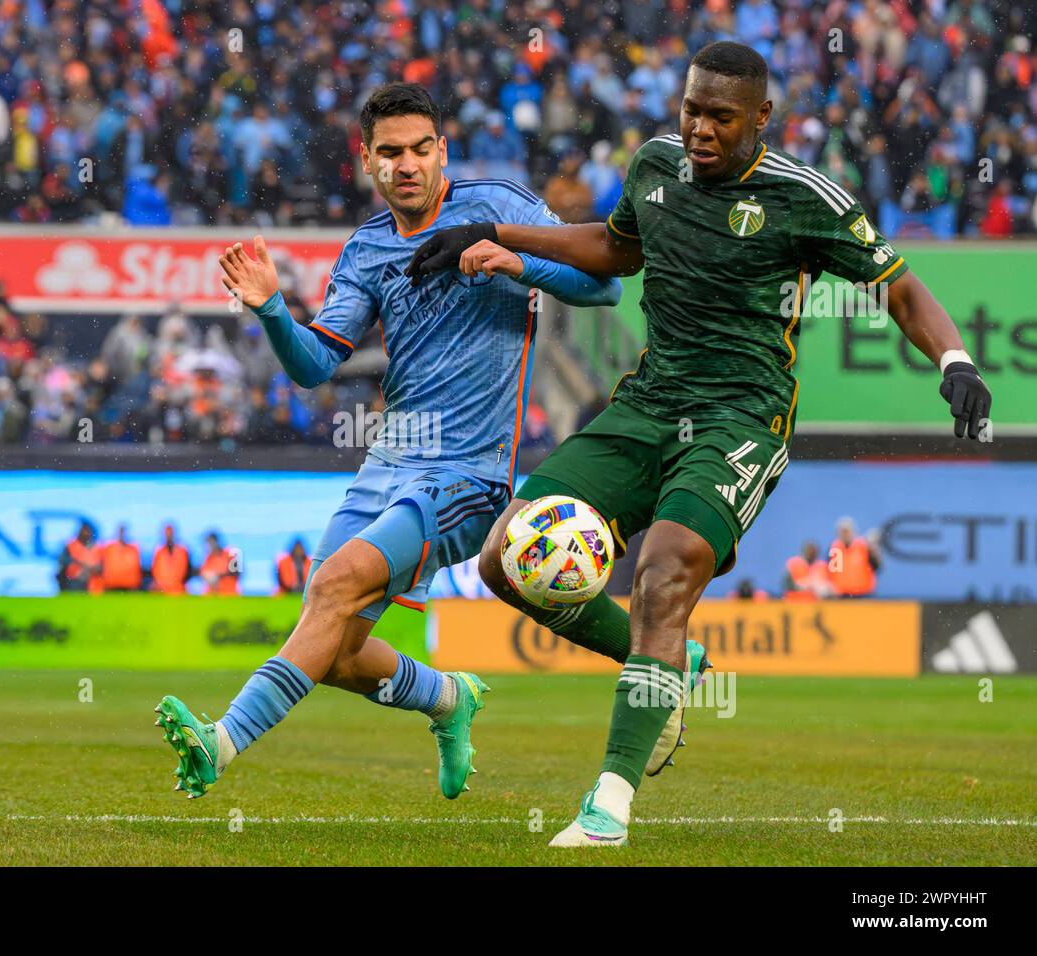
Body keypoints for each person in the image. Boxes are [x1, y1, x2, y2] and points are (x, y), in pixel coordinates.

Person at [408, 41, 992, 846]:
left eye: (721, 116)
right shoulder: (654, 166)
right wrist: (499, 233)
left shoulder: (803, 196)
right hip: (649, 402)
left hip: (741, 420)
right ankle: (669, 669)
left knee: (661, 571)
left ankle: (608, 805)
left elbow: (896, 285)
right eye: (691, 110)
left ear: (761, 118)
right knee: (505, 558)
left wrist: (954, 359)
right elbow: (617, 248)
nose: (701, 129)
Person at [153, 82, 621, 802]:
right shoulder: (367, 248)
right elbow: (314, 366)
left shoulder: (498, 208)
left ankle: (221, 742)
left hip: (469, 472)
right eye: (390, 153)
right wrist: (274, 310)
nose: (407, 165)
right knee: (333, 646)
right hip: (388, 463)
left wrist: (513, 261)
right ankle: (445, 698)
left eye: (420, 150)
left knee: (336, 587)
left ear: (442, 150)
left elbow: (605, 288)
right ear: (367, 160)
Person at [828, 518, 881, 598]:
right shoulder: (835, 549)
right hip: (841, 595)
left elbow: (876, 566)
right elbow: (832, 572)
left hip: (863, 594)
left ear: (853, 532)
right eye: (842, 531)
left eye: (847, 531)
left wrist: (874, 552)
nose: (845, 534)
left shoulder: (864, 546)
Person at [57, 522, 102, 594]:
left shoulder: (96, 547)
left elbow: (102, 564)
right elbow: (62, 559)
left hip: (92, 581)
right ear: (79, 532)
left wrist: (95, 568)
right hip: (73, 580)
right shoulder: (71, 545)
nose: (86, 533)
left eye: (88, 531)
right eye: (83, 531)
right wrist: (77, 563)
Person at [151, 524, 192, 594]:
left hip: (179, 590)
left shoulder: (183, 551)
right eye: (167, 534)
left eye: (170, 534)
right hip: (161, 590)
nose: (168, 536)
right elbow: (154, 570)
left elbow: (189, 570)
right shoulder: (159, 551)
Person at [100, 524, 143, 591]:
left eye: (124, 532)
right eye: (121, 531)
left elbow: (137, 566)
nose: (123, 534)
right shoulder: (108, 547)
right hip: (111, 585)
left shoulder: (134, 548)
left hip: (130, 585)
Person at [198, 531, 241, 596]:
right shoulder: (208, 557)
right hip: (212, 594)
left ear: (215, 541)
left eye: (210, 542)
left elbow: (236, 572)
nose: (208, 545)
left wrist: (218, 576)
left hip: (229, 594)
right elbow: (203, 573)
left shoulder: (231, 553)